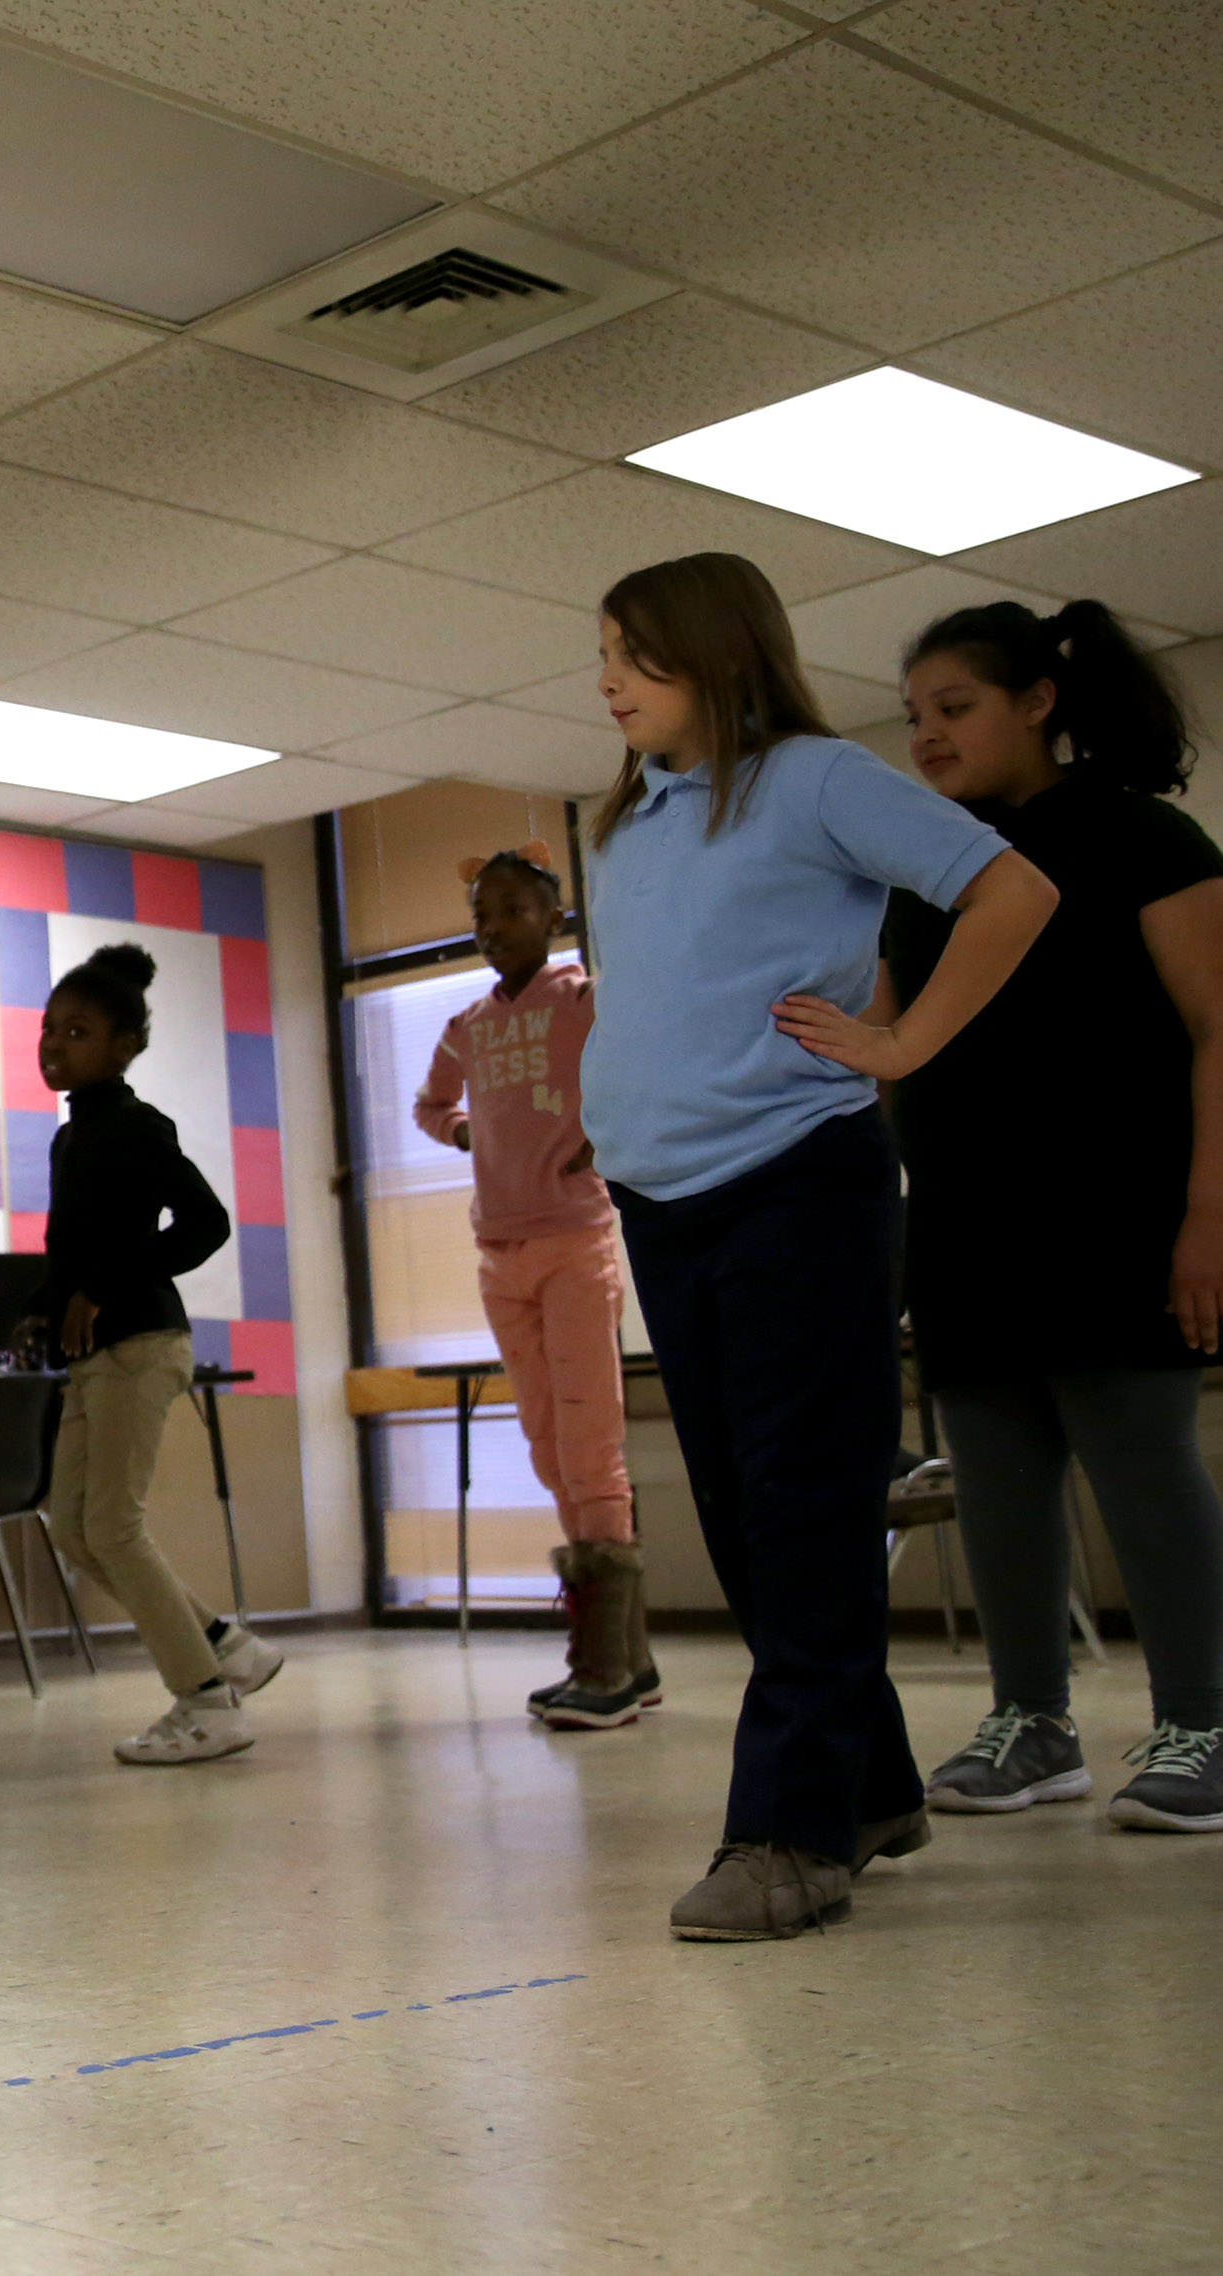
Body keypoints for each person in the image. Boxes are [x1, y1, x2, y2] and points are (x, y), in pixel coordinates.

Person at [579, 552, 1055, 1941]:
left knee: (801, 1506)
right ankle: (875, 1784)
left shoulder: (811, 779)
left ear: (719, 659)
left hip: (799, 1186)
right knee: (741, 1516)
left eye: (635, 656)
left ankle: (789, 1833)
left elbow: (1010, 893)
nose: (607, 681)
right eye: (600, 654)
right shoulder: (627, 822)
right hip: (664, 1205)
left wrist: (905, 1041)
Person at [877, 599, 1223, 1834]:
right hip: (967, 1233)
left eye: (953, 706)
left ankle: (1205, 1721)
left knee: (1141, 1465)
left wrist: (1207, 1218)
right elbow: (887, 1052)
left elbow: (1215, 1032)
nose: (926, 734)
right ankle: (1033, 1723)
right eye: (914, 714)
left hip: (1118, 1214)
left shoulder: (1145, 840)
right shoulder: (924, 873)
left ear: (1038, 703)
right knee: (996, 1482)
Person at [412, 845, 652, 1730]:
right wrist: (469, 1133)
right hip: (499, 1253)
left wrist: (608, 1134)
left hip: (575, 1242)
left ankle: (603, 1669)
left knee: (592, 1445)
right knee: (550, 1446)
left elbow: (643, 1067)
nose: (493, 927)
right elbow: (431, 1107)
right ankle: (631, 1657)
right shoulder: (467, 1026)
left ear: (553, 918)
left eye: (512, 909)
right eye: (481, 914)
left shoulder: (585, 999)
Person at [29, 943, 272, 1765]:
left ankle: (208, 1700)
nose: (56, 1045)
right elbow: (77, 1248)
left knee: (115, 1527)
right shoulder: (73, 1137)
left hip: (143, 1345)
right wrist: (51, 1309)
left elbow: (205, 1225)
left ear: (127, 1044)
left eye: (79, 1031)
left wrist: (104, 1284)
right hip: (95, 1356)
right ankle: (221, 1643)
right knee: (72, 1525)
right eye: (49, 1029)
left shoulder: (136, 1127)